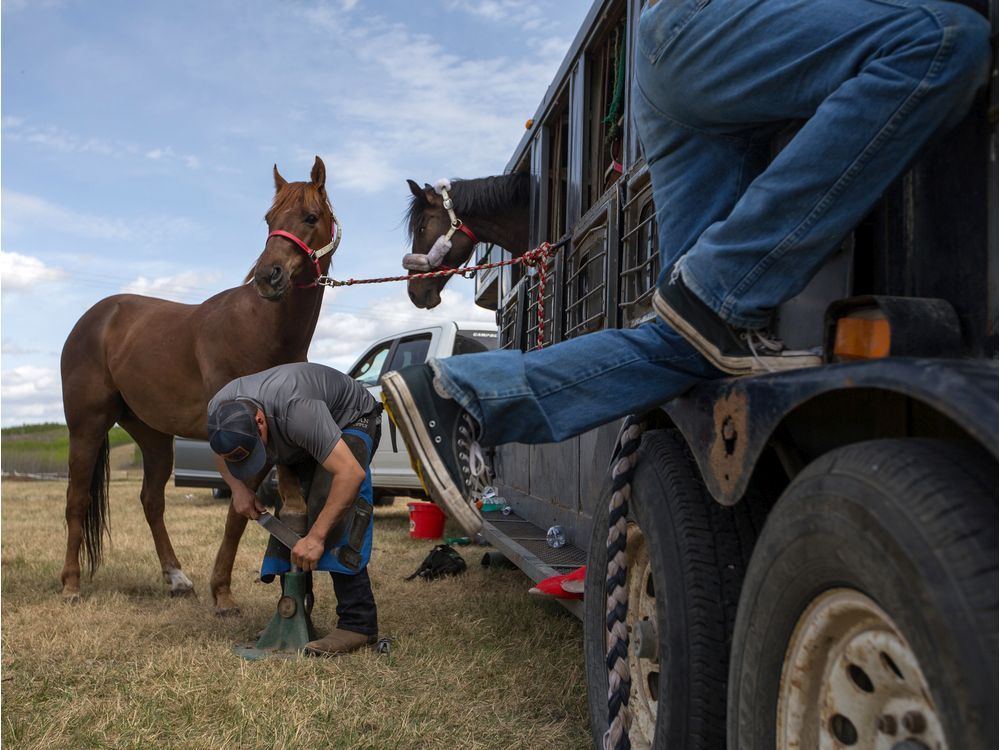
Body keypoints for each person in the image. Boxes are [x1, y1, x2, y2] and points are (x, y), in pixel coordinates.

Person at [380, 0, 991, 534]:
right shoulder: (455, 213)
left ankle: (460, 395)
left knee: (687, 342)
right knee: (941, 40)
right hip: (704, 25)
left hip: (677, 57)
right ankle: (719, 288)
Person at [208, 361, 381, 656]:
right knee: (291, 510)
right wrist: (239, 489)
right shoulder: (218, 410)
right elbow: (220, 454)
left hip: (351, 419)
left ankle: (358, 623)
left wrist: (316, 537)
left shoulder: (298, 410)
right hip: (293, 433)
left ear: (260, 421)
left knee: (332, 502)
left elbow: (350, 474)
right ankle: (294, 614)